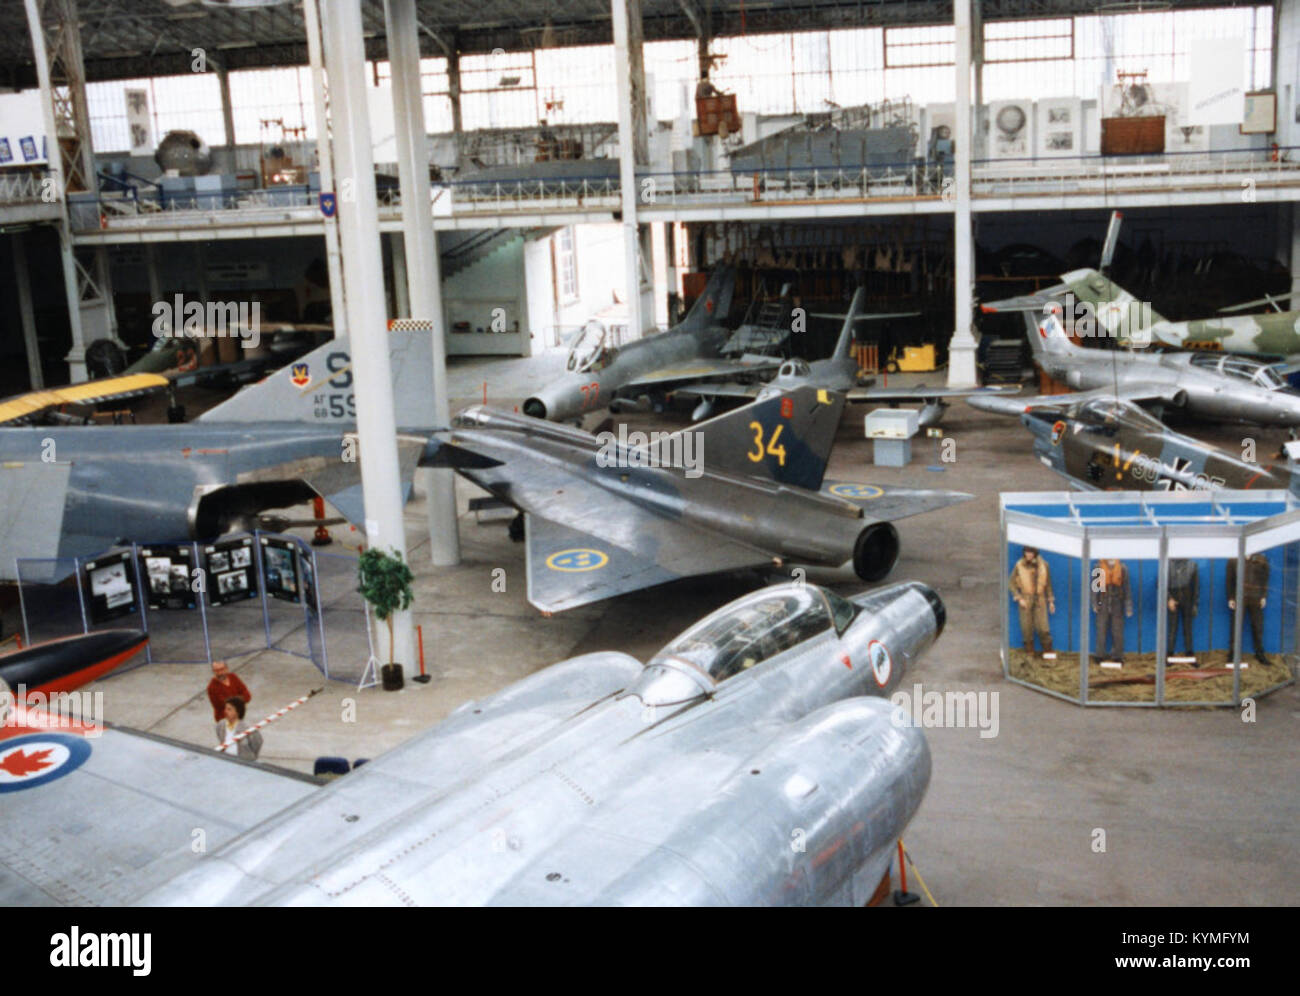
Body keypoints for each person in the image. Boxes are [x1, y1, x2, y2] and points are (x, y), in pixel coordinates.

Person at [1008, 546, 1055, 658]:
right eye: (1027, 552)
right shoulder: (1019, 565)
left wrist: (1051, 601)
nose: (1029, 554)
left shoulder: (1044, 565)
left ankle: (1048, 652)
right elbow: (1011, 583)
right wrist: (1019, 598)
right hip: (1026, 598)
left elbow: (1048, 584)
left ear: (1035, 553)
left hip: (1040, 599)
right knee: (1026, 627)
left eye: (1031, 552)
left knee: (1043, 628)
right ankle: (1029, 653)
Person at [1226, 553, 1271, 665]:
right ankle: (1233, 654)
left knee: (1257, 627)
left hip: (1256, 598)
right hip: (1239, 598)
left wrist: (1264, 596)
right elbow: (1229, 580)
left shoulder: (1261, 559)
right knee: (1235, 627)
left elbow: (1265, 579)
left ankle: (1259, 653)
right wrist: (1231, 597)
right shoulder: (1233, 559)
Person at [1092, 558, 1132, 664]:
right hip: (1102, 601)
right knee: (1101, 628)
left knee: (1117, 630)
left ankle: (1118, 655)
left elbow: (1127, 589)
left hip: (1117, 601)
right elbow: (1095, 588)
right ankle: (1099, 655)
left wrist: (1128, 606)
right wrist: (1095, 603)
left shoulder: (1123, 569)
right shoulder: (1098, 567)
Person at [1166, 559, 1199, 657]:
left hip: (1187, 598)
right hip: (1173, 596)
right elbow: (1161, 583)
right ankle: (1170, 653)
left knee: (1188, 627)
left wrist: (1195, 604)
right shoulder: (1168, 564)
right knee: (1172, 627)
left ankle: (1189, 653)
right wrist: (1169, 599)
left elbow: (1196, 586)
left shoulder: (1193, 565)